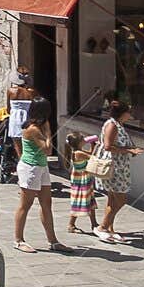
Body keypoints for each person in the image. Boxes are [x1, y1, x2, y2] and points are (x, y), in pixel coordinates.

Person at [12, 97, 68, 253]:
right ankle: (18, 240)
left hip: (41, 166)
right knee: (26, 204)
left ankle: (53, 240)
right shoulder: (33, 129)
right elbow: (48, 150)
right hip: (30, 168)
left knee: (46, 203)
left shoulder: (40, 126)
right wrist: (49, 133)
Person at [95, 99, 144, 245]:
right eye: (128, 112)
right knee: (120, 199)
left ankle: (109, 228)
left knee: (112, 199)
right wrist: (128, 150)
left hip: (120, 166)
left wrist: (131, 149)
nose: (130, 115)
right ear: (122, 113)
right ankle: (102, 227)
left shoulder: (119, 125)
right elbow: (108, 146)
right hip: (113, 166)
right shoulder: (112, 125)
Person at [65, 130, 98, 236]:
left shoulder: (79, 151)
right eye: (83, 139)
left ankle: (94, 223)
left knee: (90, 201)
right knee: (79, 202)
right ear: (79, 143)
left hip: (84, 180)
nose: (85, 140)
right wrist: (96, 146)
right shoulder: (78, 153)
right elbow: (93, 157)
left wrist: (93, 145)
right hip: (81, 182)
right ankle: (71, 225)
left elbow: (90, 154)